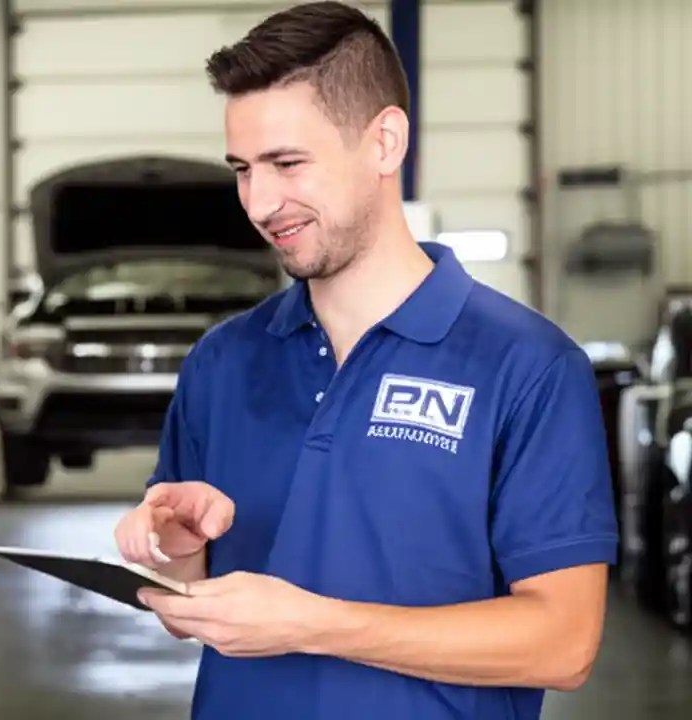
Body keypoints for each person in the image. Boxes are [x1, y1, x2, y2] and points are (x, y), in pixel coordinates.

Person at [114, 3, 616, 719]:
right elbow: (195, 612)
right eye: (242, 170)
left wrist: (313, 623)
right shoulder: (221, 364)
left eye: (287, 163)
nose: (260, 202)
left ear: (384, 141)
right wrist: (179, 556)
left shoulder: (528, 367)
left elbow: (564, 643)